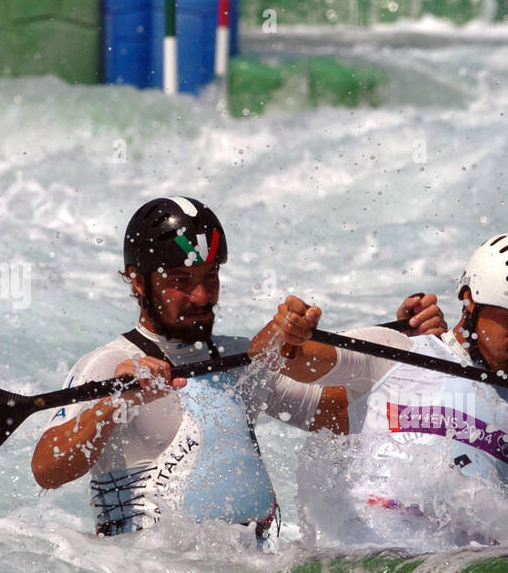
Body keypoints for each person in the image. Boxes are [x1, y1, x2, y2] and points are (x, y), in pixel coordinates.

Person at [31, 196, 445, 540]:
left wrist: (413, 344)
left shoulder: (236, 360)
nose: (200, 295)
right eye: (179, 280)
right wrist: (114, 400)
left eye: (210, 276)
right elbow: (46, 469)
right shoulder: (107, 364)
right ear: (138, 282)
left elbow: (339, 415)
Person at [248, 232, 508, 547]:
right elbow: (291, 362)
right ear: (469, 301)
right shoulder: (398, 350)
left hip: (472, 571)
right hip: (370, 558)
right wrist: (290, 332)